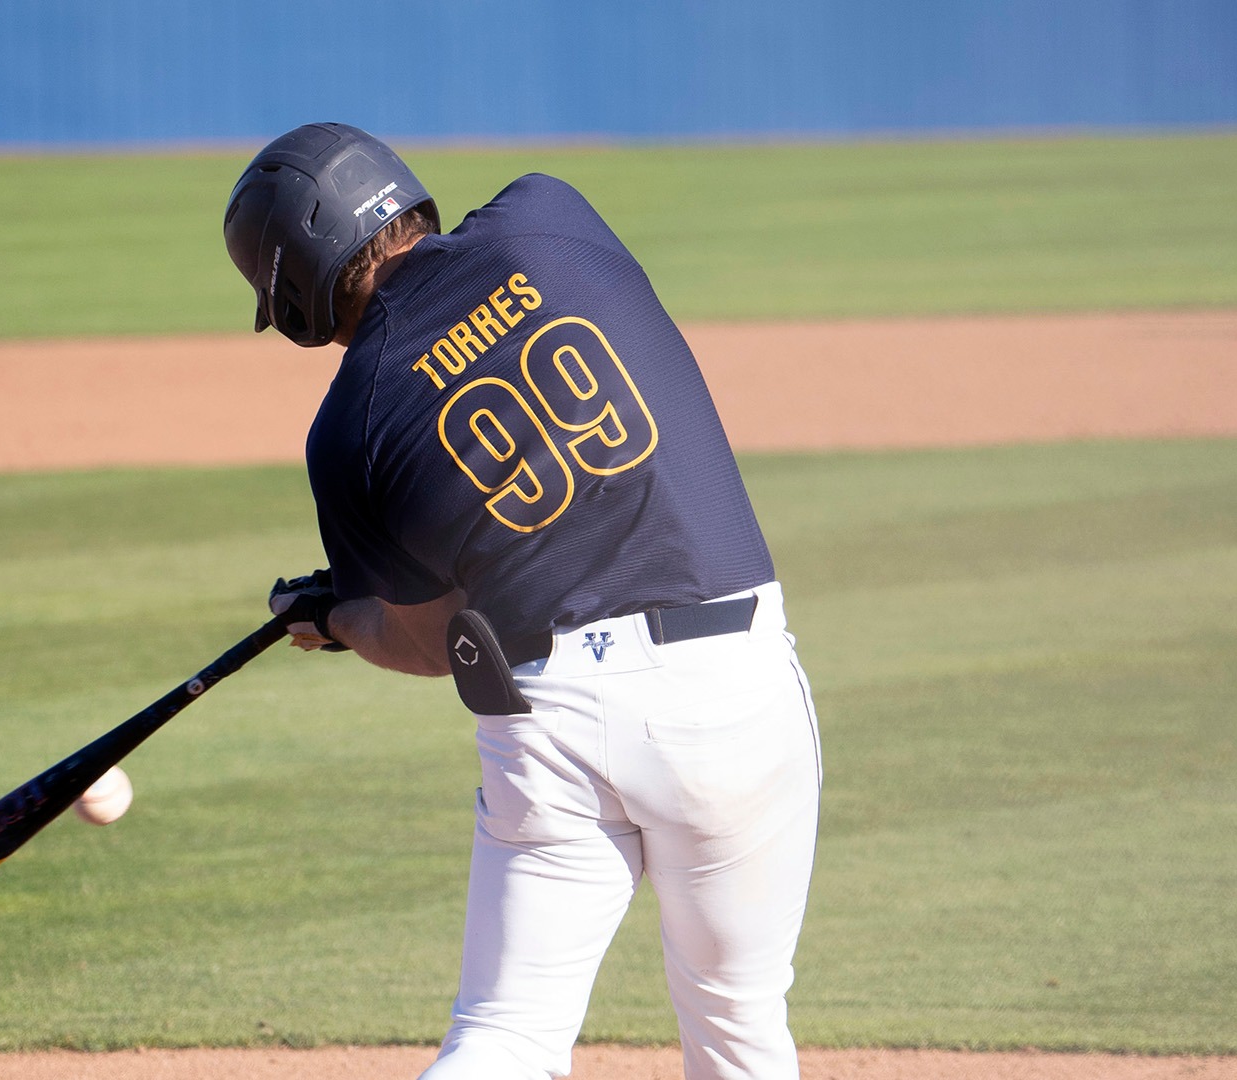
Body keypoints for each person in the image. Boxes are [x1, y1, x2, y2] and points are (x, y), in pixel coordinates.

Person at [224, 123, 821, 1080]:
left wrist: (338, 620)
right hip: (730, 681)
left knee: (504, 1035)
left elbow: (425, 637)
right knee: (739, 1017)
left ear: (292, 288)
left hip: (553, 720)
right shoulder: (550, 216)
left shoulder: (348, 427)